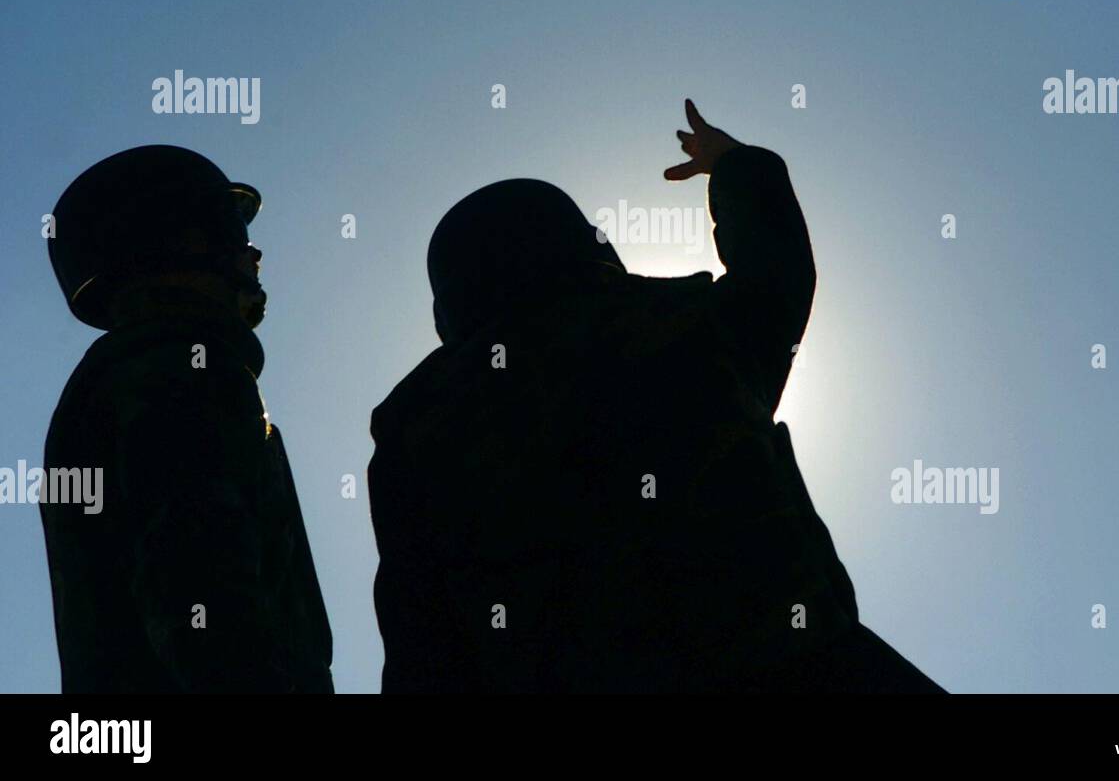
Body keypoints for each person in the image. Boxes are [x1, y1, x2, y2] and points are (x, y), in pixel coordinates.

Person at [369, 101, 943, 693]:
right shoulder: (677, 323)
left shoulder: (416, 423)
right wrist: (733, 164)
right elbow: (778, 272)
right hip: (794, 660)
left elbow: (419, 633)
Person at [42, 145, 333, 693]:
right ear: (176, 242)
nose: (254, 254)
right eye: (228, 229)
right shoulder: (180, 372)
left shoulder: (122, 382)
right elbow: (205, 605)